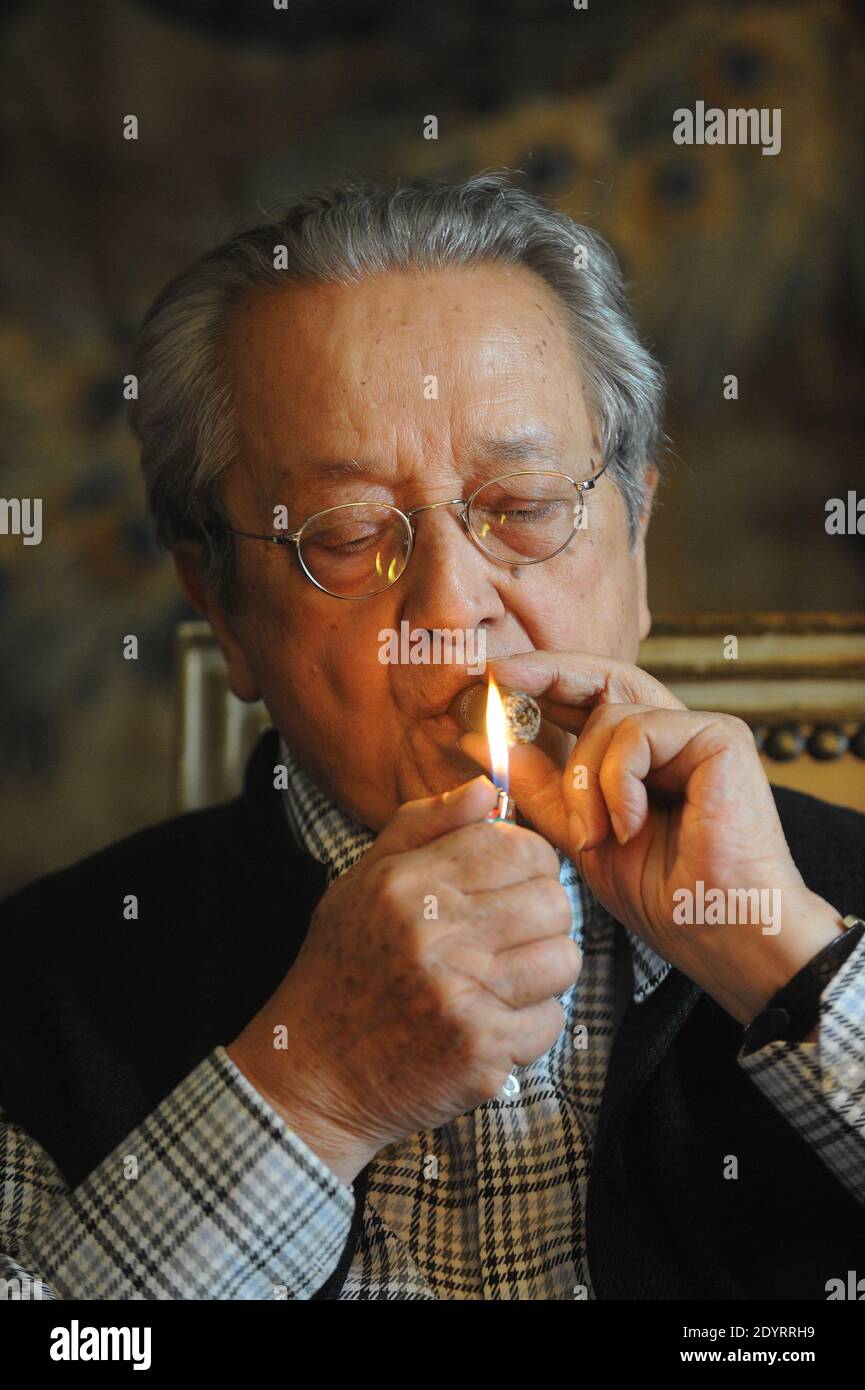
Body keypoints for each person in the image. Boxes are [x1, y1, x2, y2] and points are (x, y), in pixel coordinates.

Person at [1, 173, 863, 1301]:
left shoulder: (831, 908)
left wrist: (780, 960)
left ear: (638, 535)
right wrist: (312, 1088)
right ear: (222, 607)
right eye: (350, 534)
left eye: (520, 505)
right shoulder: (36, 994)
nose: (453, 606)